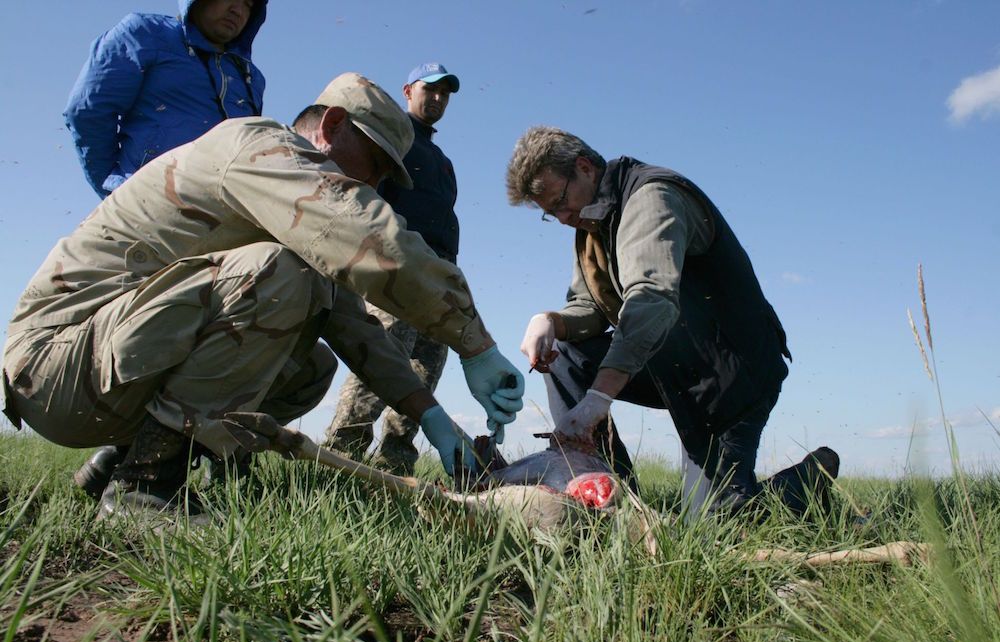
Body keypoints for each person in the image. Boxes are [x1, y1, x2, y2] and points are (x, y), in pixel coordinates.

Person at [1, 72, 524, 520]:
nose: (377, 184)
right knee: (278, 274)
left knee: (310, 365)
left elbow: (356, 328)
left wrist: (432, 417)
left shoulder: (282, 212)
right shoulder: (258, 148)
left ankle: (120, 460)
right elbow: (373, 241)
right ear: (333, 126)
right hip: (55, 366)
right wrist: (475, 343)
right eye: (377, 164)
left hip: (103, 368)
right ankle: (146, 486)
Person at [506, 126, 838, 517]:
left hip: (727, 378)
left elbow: (650, 301)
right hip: (673, 368)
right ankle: (603, 494)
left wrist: (598, 398)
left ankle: (808, 480)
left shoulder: (651, 199)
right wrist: (551, 321)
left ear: (584, 168)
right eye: (551, 214)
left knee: (715, 525)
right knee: (562, 352)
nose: (562, 219)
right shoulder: (590, 221)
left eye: (561, 201)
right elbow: (591, 307)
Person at [324, 63, 463, 475]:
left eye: (445, 93)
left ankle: (395, 463)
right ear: (408, 90)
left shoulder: (441, 159)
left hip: (439, 275)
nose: (437, 98)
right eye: (430, 89)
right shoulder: (390, 138)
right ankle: (340, 459)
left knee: (425, 371)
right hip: (397, 271)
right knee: (382, 360)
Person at [64, 0, 268, 199]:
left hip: (224, 212)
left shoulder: (249, 76)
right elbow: (88, 111)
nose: (238, 10)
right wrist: (117, 189)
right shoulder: (145, 34)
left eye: (249, 5)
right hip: (150, 202)